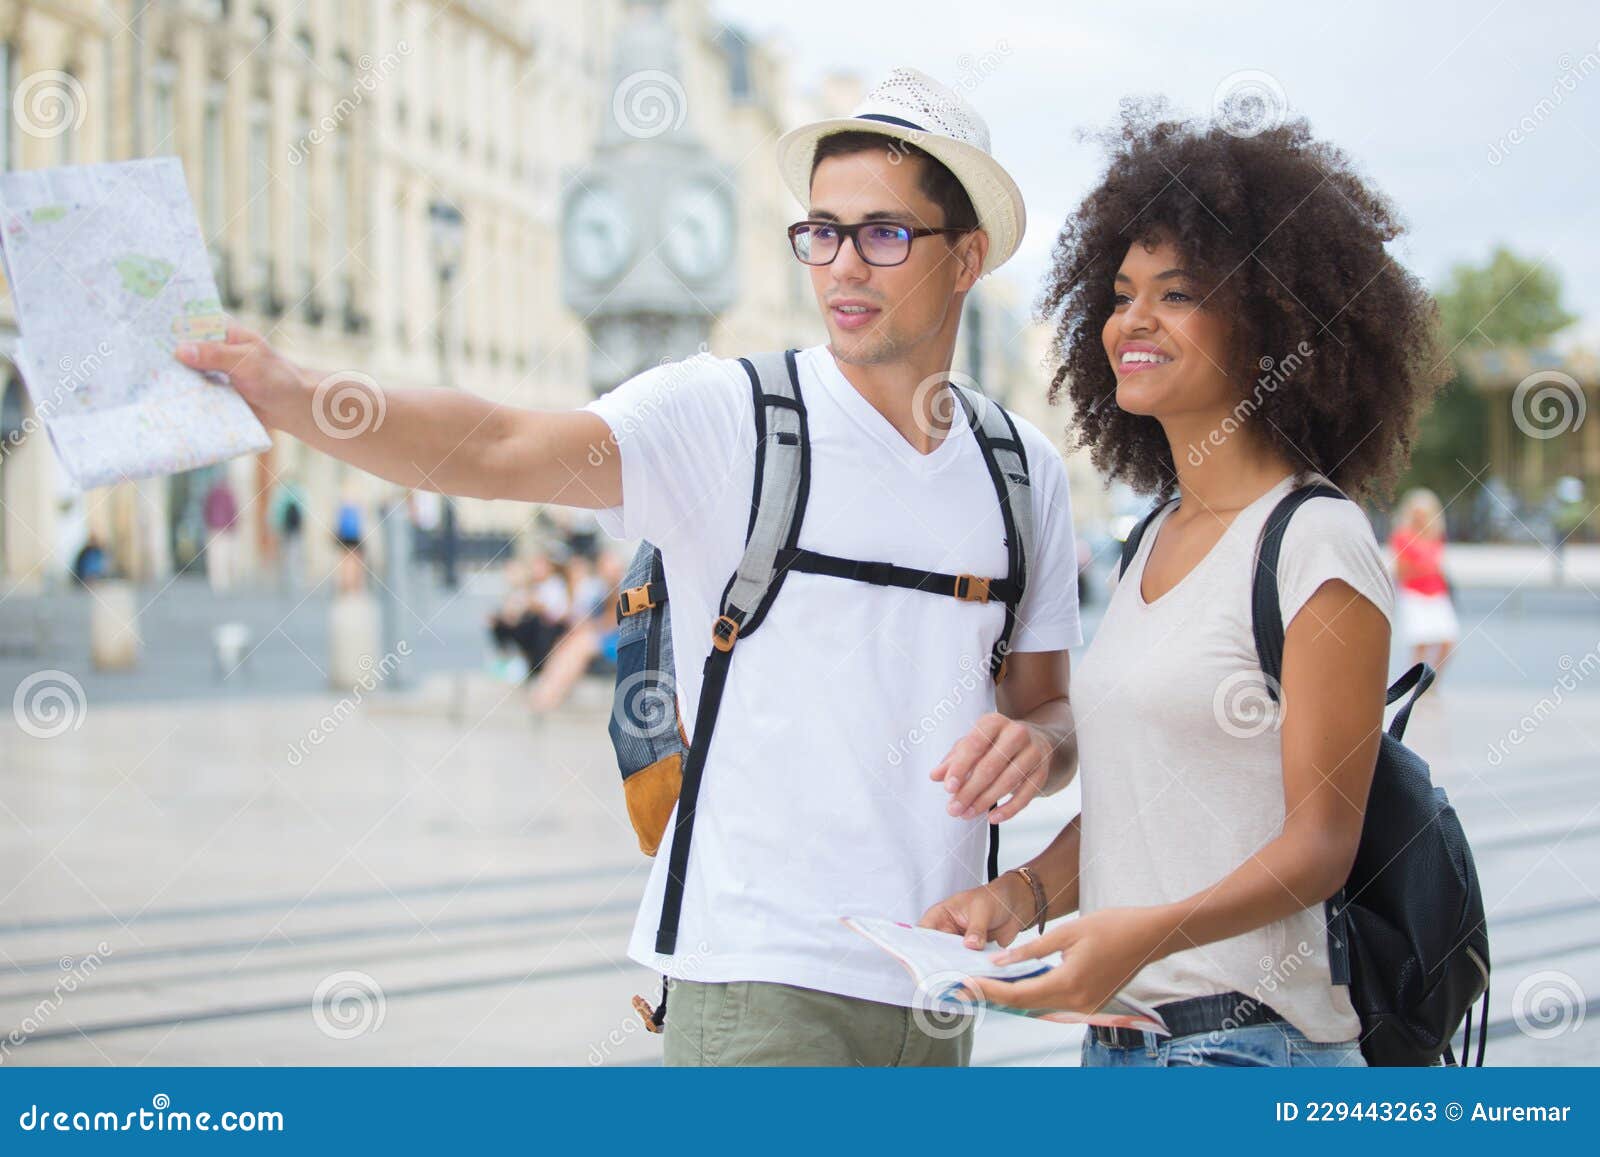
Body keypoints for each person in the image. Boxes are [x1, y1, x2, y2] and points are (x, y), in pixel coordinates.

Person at [176, 66, 1082, 1067]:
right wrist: (298, 392)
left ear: (967, 258)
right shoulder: (729, 415)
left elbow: (1051, 707)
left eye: (882, 233)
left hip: (936, 979)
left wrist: (1041, 746)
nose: (842, 267)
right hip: (757, 976)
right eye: (819, 232)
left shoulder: (1020, 472)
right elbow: (499, 445)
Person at [923, 102, 1449, 1067]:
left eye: (1178, 293)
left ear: (1273, 314)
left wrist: (1142, 934)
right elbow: (1141, 800)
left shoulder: (1315, 541)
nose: (1133, 320)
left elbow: (1320, 844)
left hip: (1249, 1051)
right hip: (1122, 1047)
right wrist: (1022, 896)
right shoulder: (1152, 539)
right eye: (1121, 293)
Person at [1390, 487, 1458, 678]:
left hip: (1437, 593)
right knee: (1420, 643)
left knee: (1447, 641)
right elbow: (1402, 571)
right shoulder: (1402, 537)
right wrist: (1425, 568)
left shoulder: (1436, 537)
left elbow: (1437, 566)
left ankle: (1431, 681)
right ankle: (1415, 683)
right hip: (1414, 594)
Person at [201, 473, 240, 592]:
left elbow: (206, 509)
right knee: (225, 556)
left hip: (214, 528)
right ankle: (225, 581)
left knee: (216, 557)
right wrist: (233, 525)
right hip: (226, 529)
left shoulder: (212, 493)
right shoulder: (228, 494)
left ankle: (217, 582)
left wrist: (208, 523)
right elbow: (233, 510)